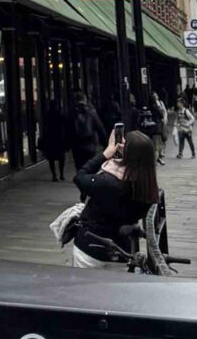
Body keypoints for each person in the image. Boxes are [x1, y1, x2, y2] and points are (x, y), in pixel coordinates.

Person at [71, 131, 167, 271]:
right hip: (122, 251)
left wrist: (106, 154)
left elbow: (80, 177)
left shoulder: (108, 182)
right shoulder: (147, 187)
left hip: (91, 247)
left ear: (127, 153)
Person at [38, 96, 71, 183]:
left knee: (51, 158)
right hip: (59, 138)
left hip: (50, 139)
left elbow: (44, 128)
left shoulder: (47, 115)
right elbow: (65, 126)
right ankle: (61, 174)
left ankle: (54, 175)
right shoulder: (60, 115)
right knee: (61, 158)